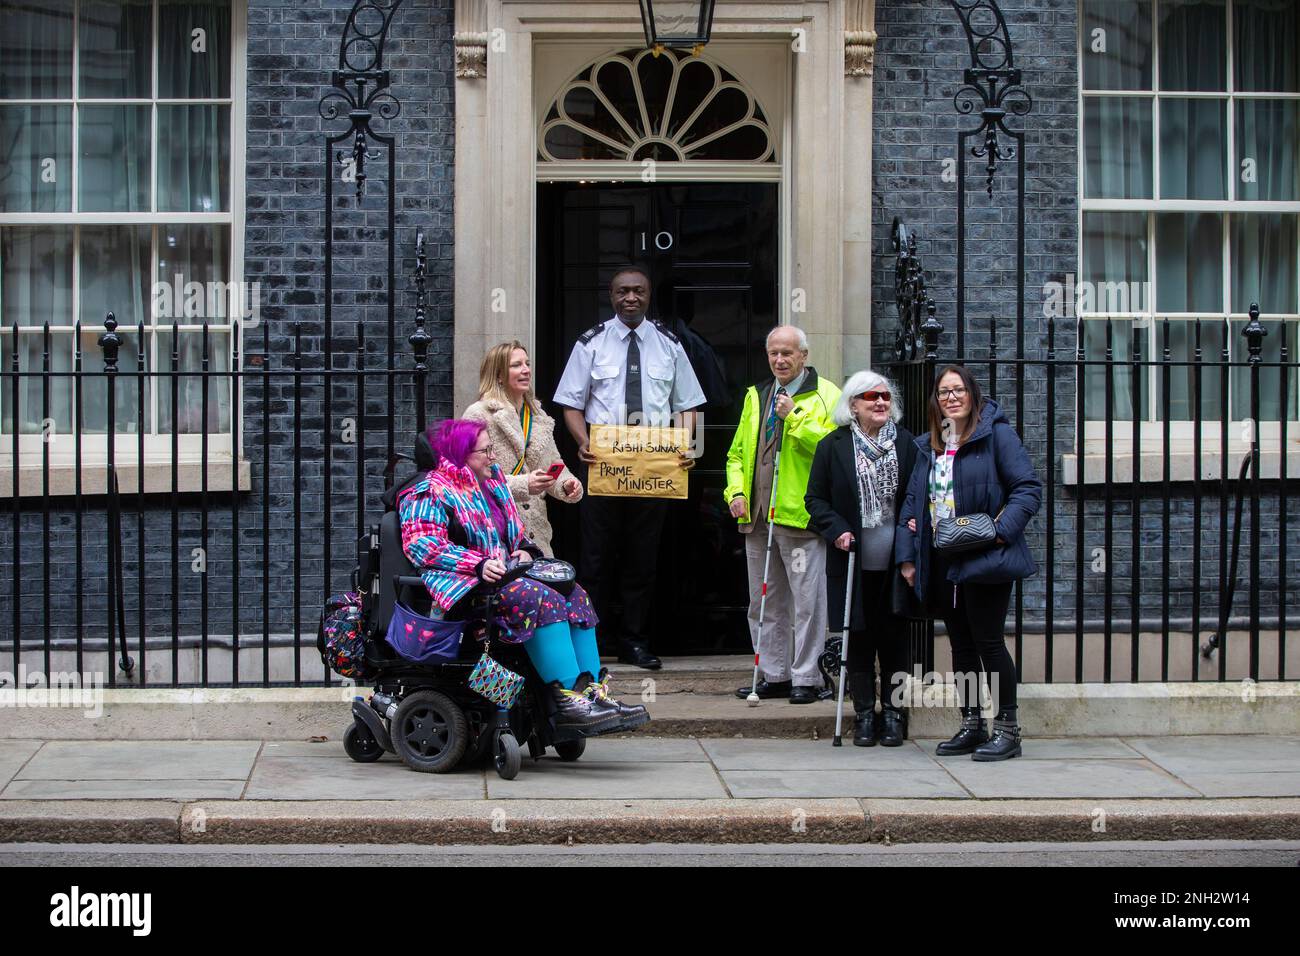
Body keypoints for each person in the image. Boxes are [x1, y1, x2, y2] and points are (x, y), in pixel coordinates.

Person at [397, 419, 647, 736]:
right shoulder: (427, 492)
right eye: (484, 450)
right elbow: (423, 546)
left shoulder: (493, 480)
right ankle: (571, 702)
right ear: (459, 455)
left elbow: (515, 534)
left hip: (507, 576)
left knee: (576, 594)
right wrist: (477, 563)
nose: (492, 456)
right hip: (467, 587)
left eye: (491, 449)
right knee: (542, 600)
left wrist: (526, 550)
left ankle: (594, 695)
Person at [553, 265, 706, 670]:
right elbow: (571, 403)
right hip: (604, 465)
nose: (630, 298)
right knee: (596, 558)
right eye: (623, 291)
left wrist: (687, 444)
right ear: (612, 294)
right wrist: (582, 442)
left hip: (654, 470)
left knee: (642, 558)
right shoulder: (591, 343)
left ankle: (634, 642)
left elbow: (688, 404)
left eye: (638, 291)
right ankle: (591, 644)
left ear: (649, 294)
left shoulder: (670, 344)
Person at [896, 365, 1042, 761]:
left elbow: (1027, 489)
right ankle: (972, 723)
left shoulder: (996, 435)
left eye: (958, 390)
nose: (951, 398)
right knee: (960, 647)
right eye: (944, 392)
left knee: (989, 643)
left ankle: (1007, 730)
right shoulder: (930, 445)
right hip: (942, 559)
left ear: (973, 395)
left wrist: (998, 532)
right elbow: (912, 503)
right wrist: (908, 556)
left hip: (986, 557)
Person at [726, 326, 841, 704]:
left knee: (807, 602)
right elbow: (737, 454)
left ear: (804, 355)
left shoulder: (827, 395)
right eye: (774, 353)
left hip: (799, 516)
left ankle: (806, 677)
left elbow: (832, 449)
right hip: (758, 517)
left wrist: (793, 418)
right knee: (764, 602)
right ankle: (772, 674)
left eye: (787, 353)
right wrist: (736, 492)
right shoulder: (756, 395)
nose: (780, 360)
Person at [805, 370, 919, 744]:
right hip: (851, 564)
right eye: (871, 397)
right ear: (853, 405)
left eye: (886, 396)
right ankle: (865, 715)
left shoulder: (907, 445)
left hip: (895, 566)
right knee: (857, 642)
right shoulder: (832, 446)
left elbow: (918, 498)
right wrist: (837, 529)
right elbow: (815, 501)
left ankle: (895, 716)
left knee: (895, 644)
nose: (881, 402)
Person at [463, 341, 582, 557]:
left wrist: (567, 484)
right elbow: (468, 480)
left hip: (537, 533)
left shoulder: (537, 416)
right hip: (497, 533)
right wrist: (523, 484)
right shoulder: (478, 414)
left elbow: (554, 464)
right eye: (516, 365)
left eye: (527, 364)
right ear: (499, 374)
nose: (526, 370)